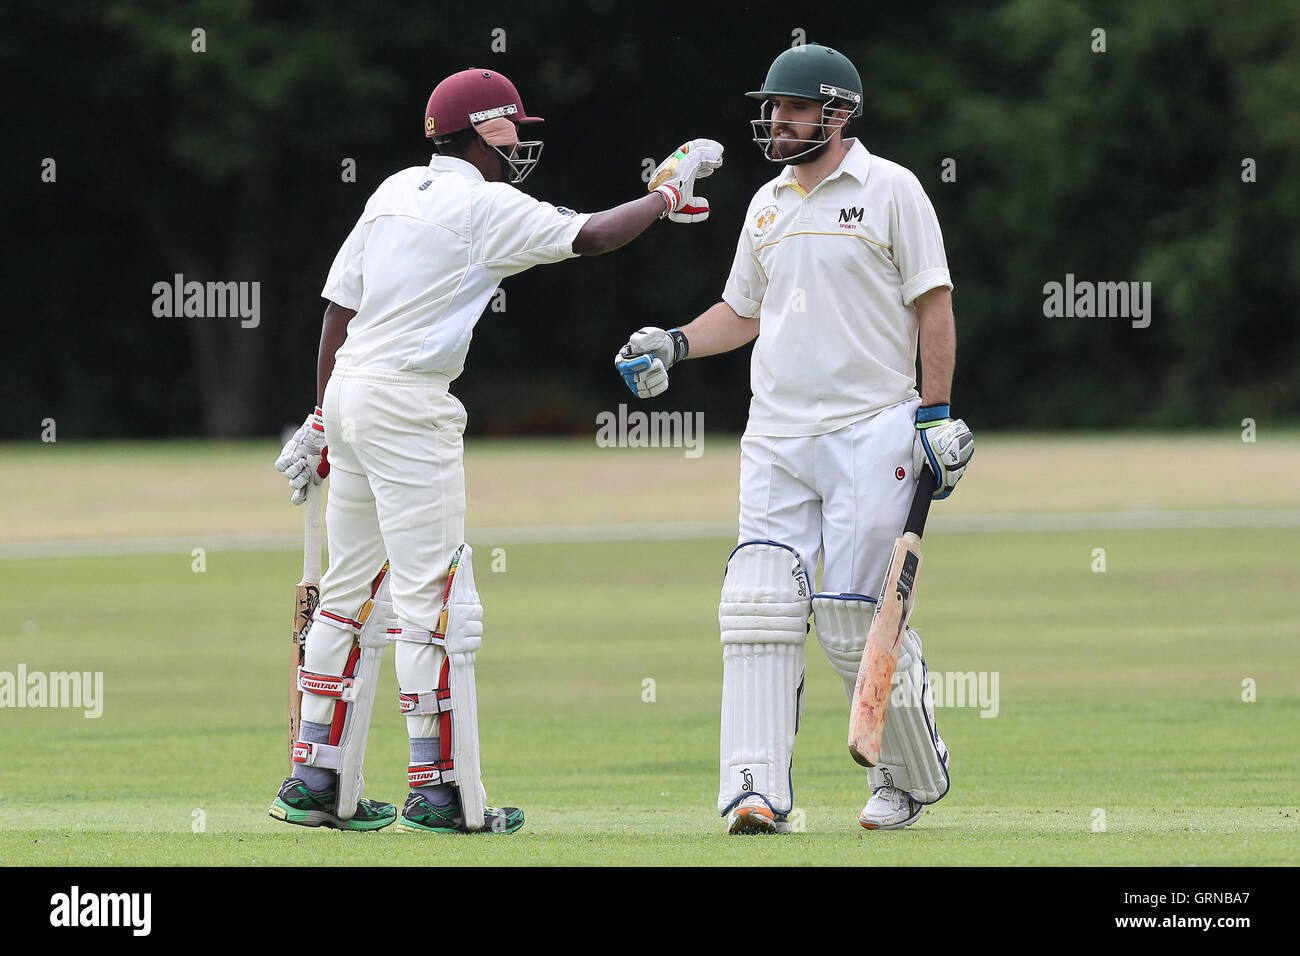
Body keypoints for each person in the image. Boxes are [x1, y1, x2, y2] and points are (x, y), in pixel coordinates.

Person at [271, 67, 724, 833]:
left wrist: (320, 416)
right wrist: (668, 190)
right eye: (514, 128)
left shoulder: (391, 191)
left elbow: (339, 308)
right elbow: (595, 233)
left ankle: (316, 782)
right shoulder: (484, 205)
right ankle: (442, 795)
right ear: (483, 130)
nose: (522, 143)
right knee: (435, 602)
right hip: (408, 406)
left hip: (351, 394)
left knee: (347, 597)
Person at [615, 44, 973, 834]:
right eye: (771, 107)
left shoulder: (893, 190)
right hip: (775, 435)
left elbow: (934, 305)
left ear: (837, 114)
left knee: (852, 617)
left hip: (872, 426)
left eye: (793, 107)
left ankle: (903, 776)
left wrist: (937, 414)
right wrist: (673, 343)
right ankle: (754, 789)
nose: (775, 120)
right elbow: (743, 313)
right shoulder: (767, 203)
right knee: (757, 604)